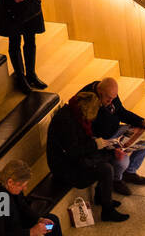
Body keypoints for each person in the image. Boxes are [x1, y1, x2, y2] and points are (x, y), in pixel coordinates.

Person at [46, 91, 127, 221]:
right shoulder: (65, 121)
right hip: (64, 168)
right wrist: (96, 145)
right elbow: (74, 151)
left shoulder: (74, 114)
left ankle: (101, 197)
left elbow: (83, 143)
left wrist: (108, 149)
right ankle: (107, 211)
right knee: (106, 169)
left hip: (74, 159)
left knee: (109, 155)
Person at [84, 77, 145, 194]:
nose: (111, 102)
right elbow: (88, 132)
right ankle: (116, 180)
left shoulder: (109, 93)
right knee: (122, 162)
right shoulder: (88, 99)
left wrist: (142, 122)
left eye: (113, 98)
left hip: (117, 130)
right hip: (102, 139)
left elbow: (121, 112)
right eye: (108, 99)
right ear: (99, 91)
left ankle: (129, 172)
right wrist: (110, 148)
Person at [0, 0, 44, 92]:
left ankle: (31, 74)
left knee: (30, 39)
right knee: (14, 41)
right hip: (10, 1)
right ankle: (20, 78)